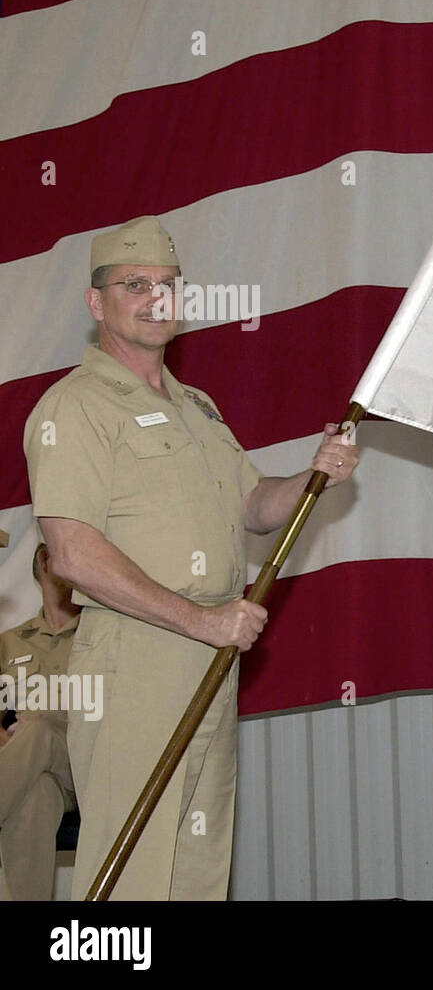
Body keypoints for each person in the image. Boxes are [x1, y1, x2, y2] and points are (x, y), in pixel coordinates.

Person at [22, 216, 359, 900]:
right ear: (97, 303)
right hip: (140, 654)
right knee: (133, 871)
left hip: (213, 649)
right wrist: (199, 622)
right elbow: (74, 554)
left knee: (197, 869)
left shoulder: (196, 407)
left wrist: (314, 473)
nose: (158, 299)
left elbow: (255, 507)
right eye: (136, 284)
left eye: (171, 286)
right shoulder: (75, 408)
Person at [0, 544, 80, 900]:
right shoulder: (10, 643)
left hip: (85, 765)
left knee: (41, 728)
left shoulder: (103, 635)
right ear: (43, 561)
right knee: (36, 800)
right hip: (33, 772)